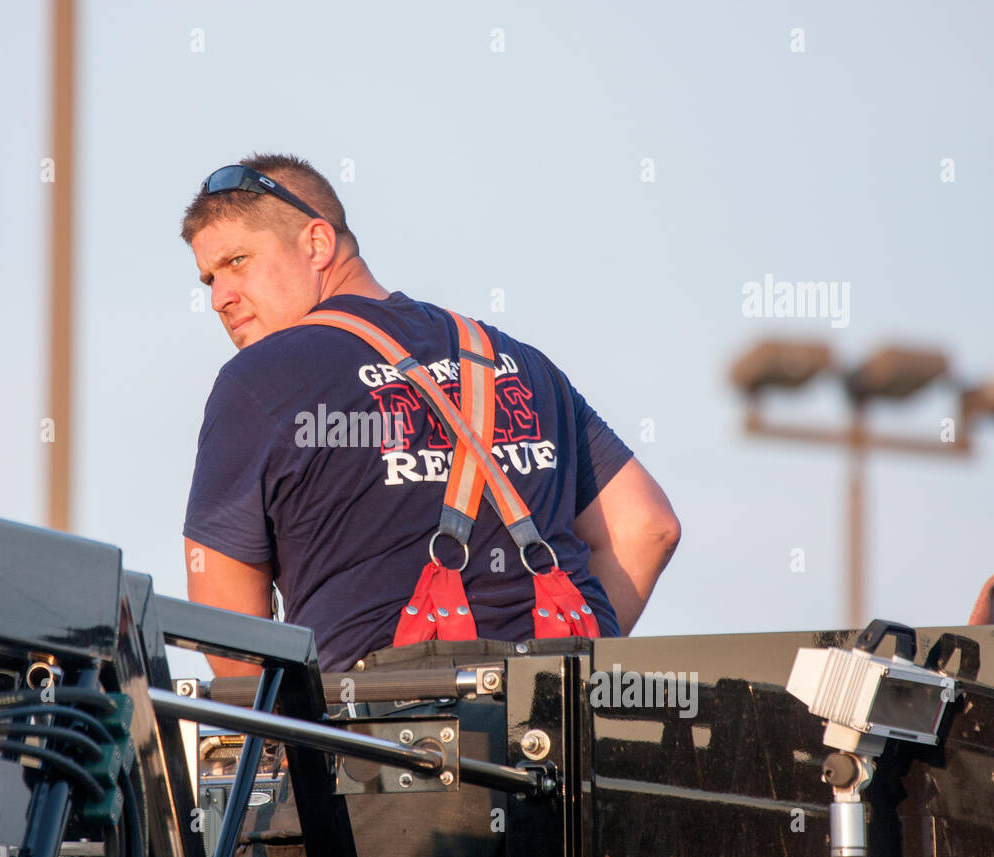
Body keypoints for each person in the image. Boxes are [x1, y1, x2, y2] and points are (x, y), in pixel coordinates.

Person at [180, 153, 680, 679]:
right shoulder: (518, 359)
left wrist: (295, 747)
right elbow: (646, 526)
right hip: (563, 735)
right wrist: (563, 683)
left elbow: (229, 627)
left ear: (317, 244)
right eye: (208, 279)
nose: (220, 298)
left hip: (379, 738)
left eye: (237, 261)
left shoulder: (259, 378)